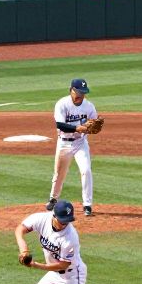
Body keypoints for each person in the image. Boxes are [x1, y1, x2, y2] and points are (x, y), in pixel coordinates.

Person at [46, 77, 100, 217]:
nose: (81, 96)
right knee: (59, 173)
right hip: (64, 143)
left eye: (83, 93)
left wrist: (90, 127)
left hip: (80, 143)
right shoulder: (62, 104)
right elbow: (60, 125)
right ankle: (53, 198)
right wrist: (78, 128)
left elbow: (94, 122)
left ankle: (87, 205)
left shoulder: (89, 106)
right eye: (78, 92)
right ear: (71, 90)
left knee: (86, 170)